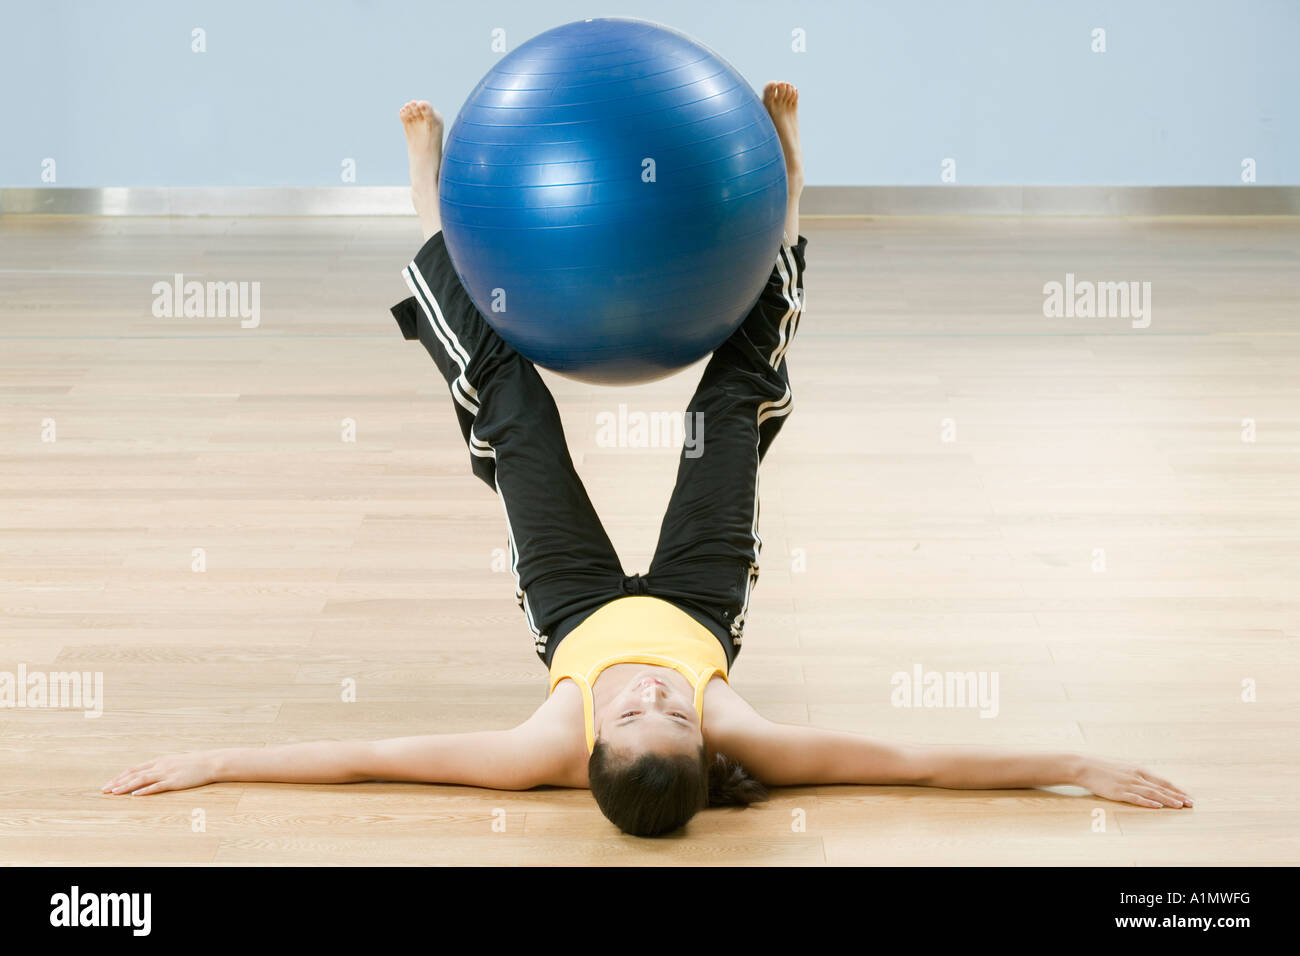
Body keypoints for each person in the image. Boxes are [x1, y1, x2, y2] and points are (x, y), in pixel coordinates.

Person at [104, 83, 1193, 837]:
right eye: (672, 713)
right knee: (737, 395)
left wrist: (219, 760)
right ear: (701, 735)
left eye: (631, 715)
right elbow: (910, 763)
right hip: (701, 593)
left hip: (571, 603)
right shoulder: (730, 722)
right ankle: (789, 190)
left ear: (588, 748)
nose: (651, 694)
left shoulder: (540, 741)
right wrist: (1074, 765)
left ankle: (428, 201)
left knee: (511, 401)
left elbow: (369, 756)